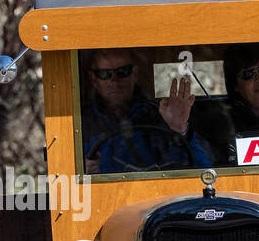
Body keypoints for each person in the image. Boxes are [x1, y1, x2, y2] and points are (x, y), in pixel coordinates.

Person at [80, 48, 214, 174]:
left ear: (135, 74)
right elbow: (63, 176)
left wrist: (179, 131)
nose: (114, 81)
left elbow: (206, 172)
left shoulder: (160, 115)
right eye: (104, 74)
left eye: (123, 72)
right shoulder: (79, 124)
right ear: (93, 79)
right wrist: (80, 168)